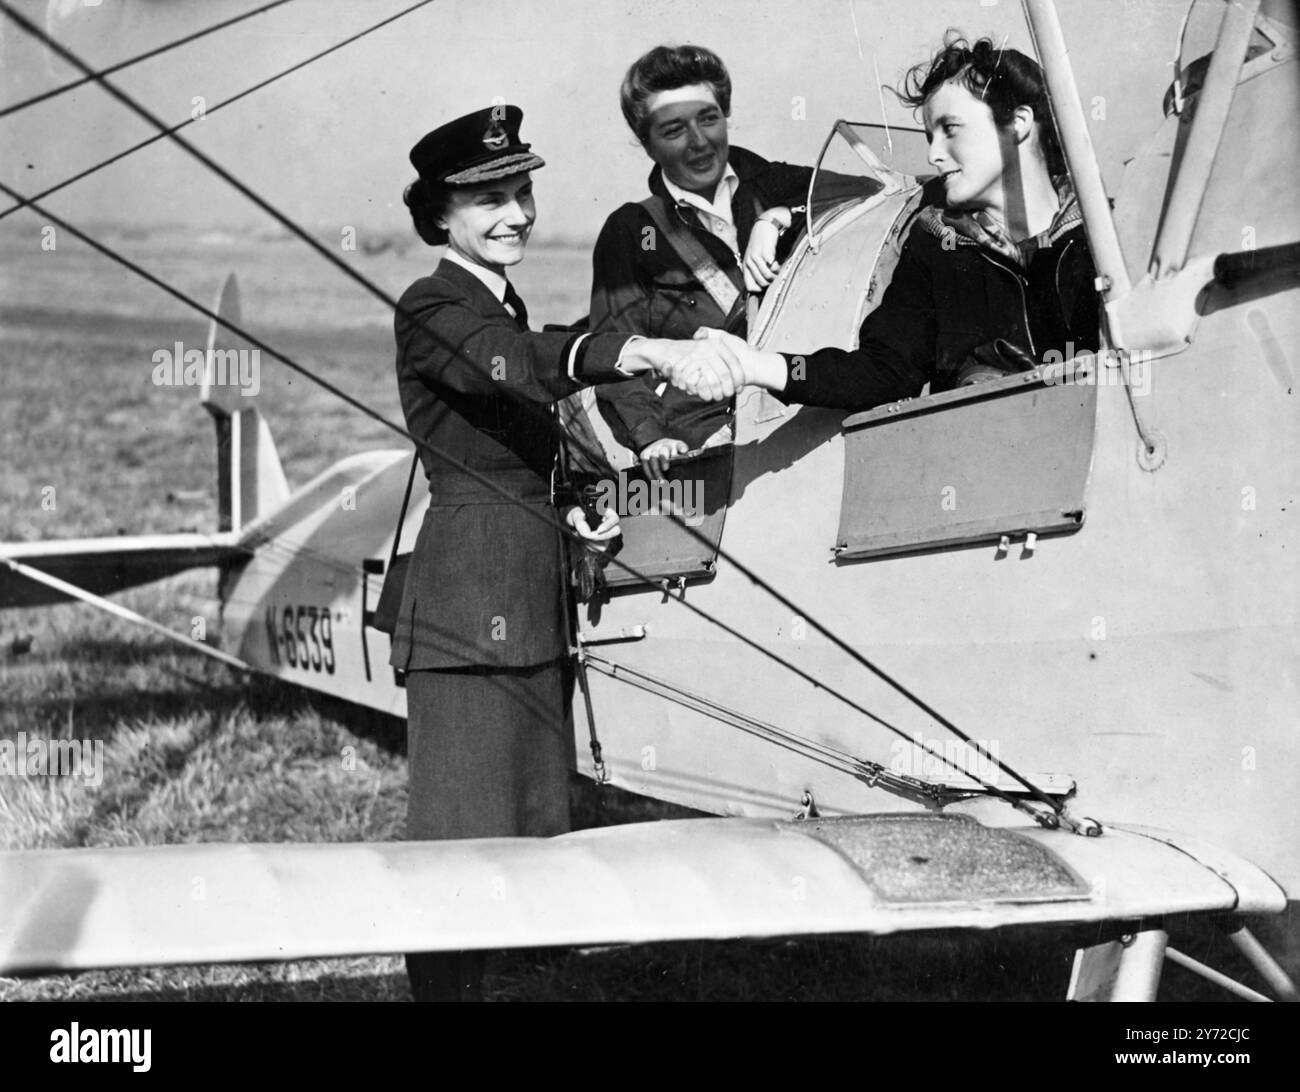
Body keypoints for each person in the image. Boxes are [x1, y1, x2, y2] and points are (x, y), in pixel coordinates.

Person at [390, 105, 737, 1001]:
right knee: (463, 857)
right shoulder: (434, 307)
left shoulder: (495, 304)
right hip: (470, 609)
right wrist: (639, 349)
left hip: (530, 601)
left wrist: (584, 504)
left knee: (536, 844)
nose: (515, 213)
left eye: (522, 191)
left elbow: (531, 418)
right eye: (488, 200)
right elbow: (515, 366)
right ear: (439, 217)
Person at [661, 36, 1101, 411]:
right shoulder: (936, 245)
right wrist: (755, 365)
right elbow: (885, 370)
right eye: (930, 136)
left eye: (951, 128)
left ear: (1018, 124)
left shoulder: (1105, 237)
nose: (933, 155)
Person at [588, 44, 813, 476]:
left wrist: (780, 217)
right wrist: (652, 437)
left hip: (800, 409)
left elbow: (876, 192)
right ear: (647, 143)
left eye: (708, 119)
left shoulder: (777, 184)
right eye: (673, 130)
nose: (698, 142)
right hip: (706, 442)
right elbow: (613, 353)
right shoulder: (632, 231)